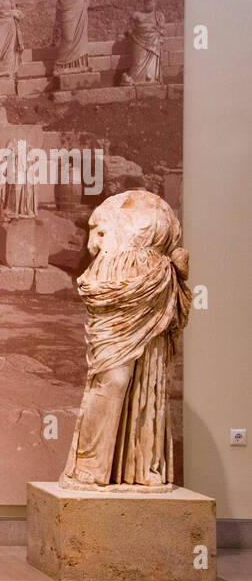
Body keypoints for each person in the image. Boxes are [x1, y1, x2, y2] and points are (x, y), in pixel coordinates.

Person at [61, 190, 190, 490]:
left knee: (151, 378)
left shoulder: (162, 215)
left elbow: (177, 253)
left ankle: (141, 466)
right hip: (119, 281)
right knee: (112, 379)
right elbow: (95, 249)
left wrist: (174, 268)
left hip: (155, 283)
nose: (94, 242)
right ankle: (90, 467)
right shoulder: (104, 216)